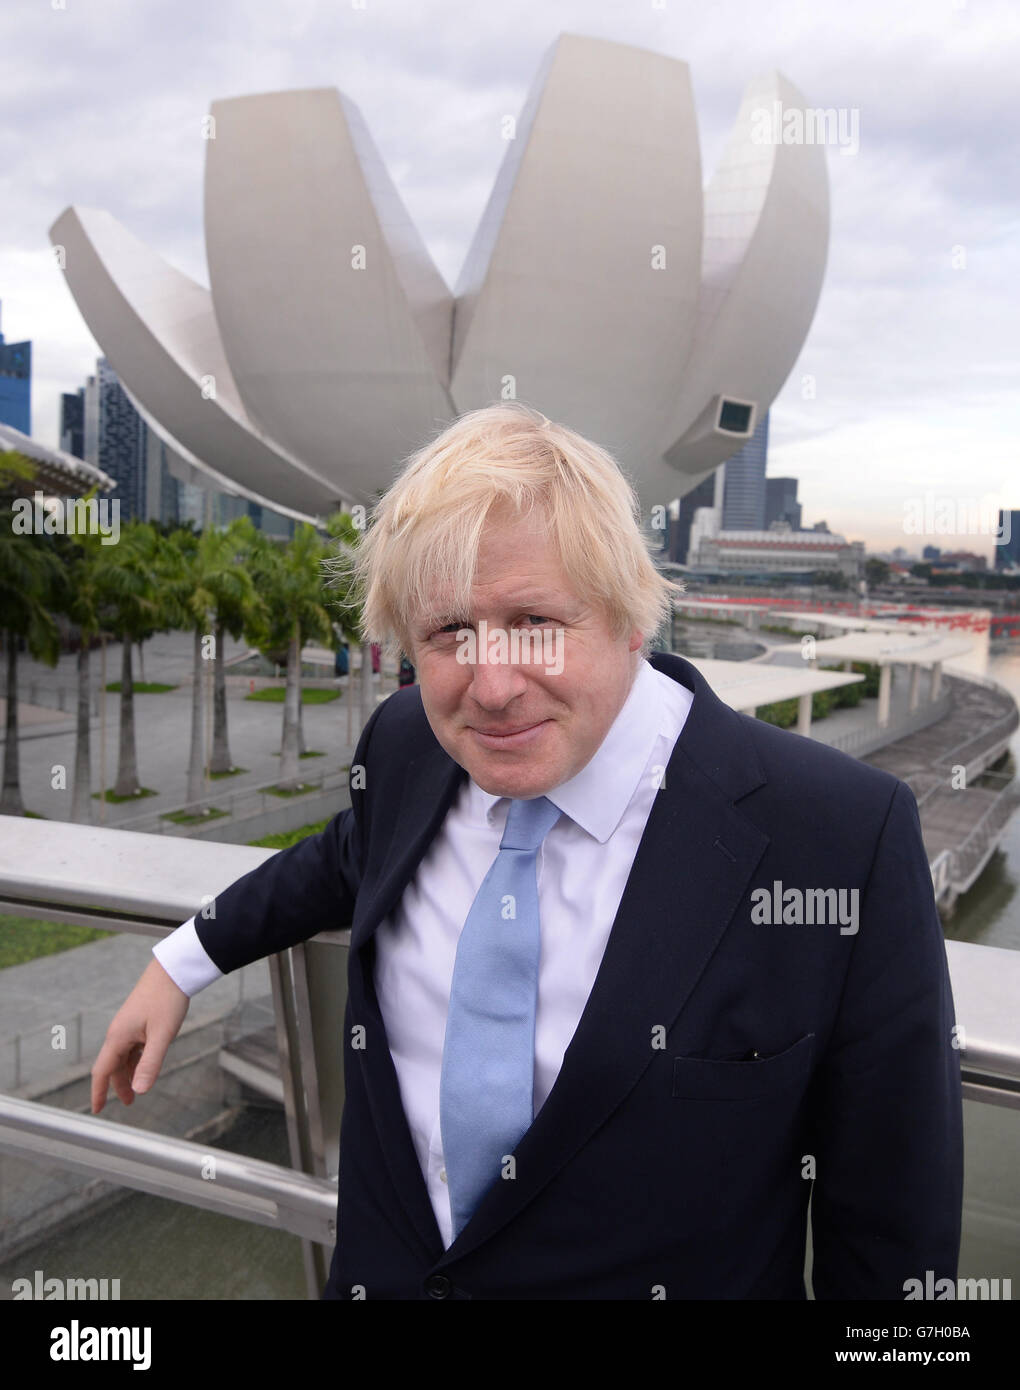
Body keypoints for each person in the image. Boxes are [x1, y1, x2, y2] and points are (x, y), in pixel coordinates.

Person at [91, 402, 963, 1300]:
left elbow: (894, 1242)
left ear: (631, 617)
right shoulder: (406, 746)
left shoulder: (837, 841)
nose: (494, 686)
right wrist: (181, 961)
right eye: (448, 633)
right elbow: (340, 860)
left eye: (536, 623)